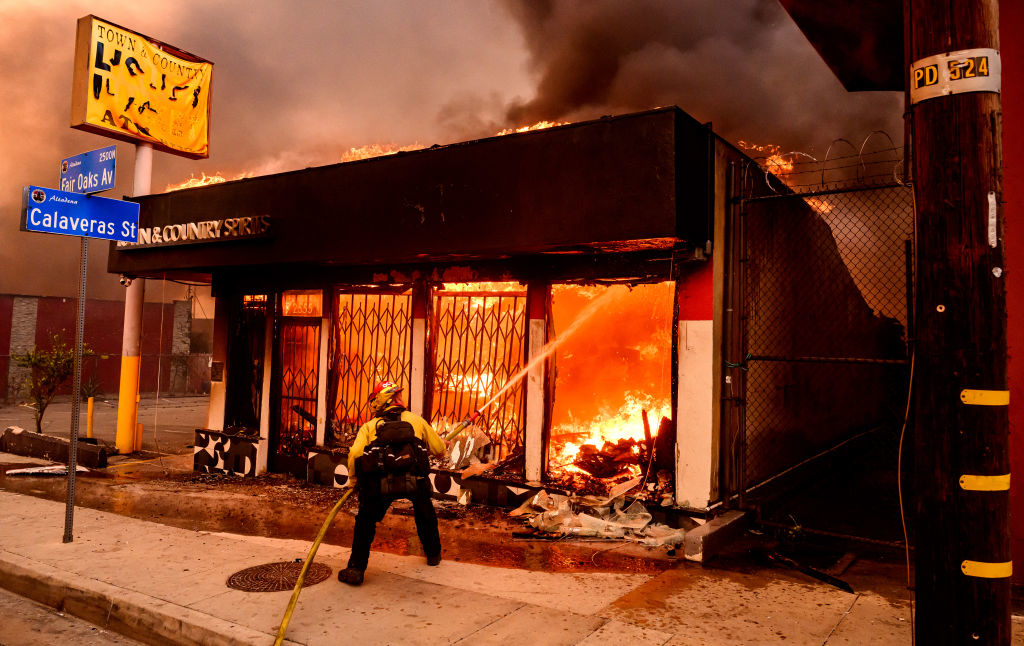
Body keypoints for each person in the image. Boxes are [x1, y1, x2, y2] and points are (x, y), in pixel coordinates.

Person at [338, 381, 446, 586]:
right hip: (415, 482)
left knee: (365, 521)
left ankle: (356, 569)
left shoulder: (369, 427)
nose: (401, 399)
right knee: (425, 511)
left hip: (380, 485)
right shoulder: (416, 420)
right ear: (392, 400)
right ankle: (433, 555)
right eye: (398, 396)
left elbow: (355, 454)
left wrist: (354, 481)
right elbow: (440, 448)